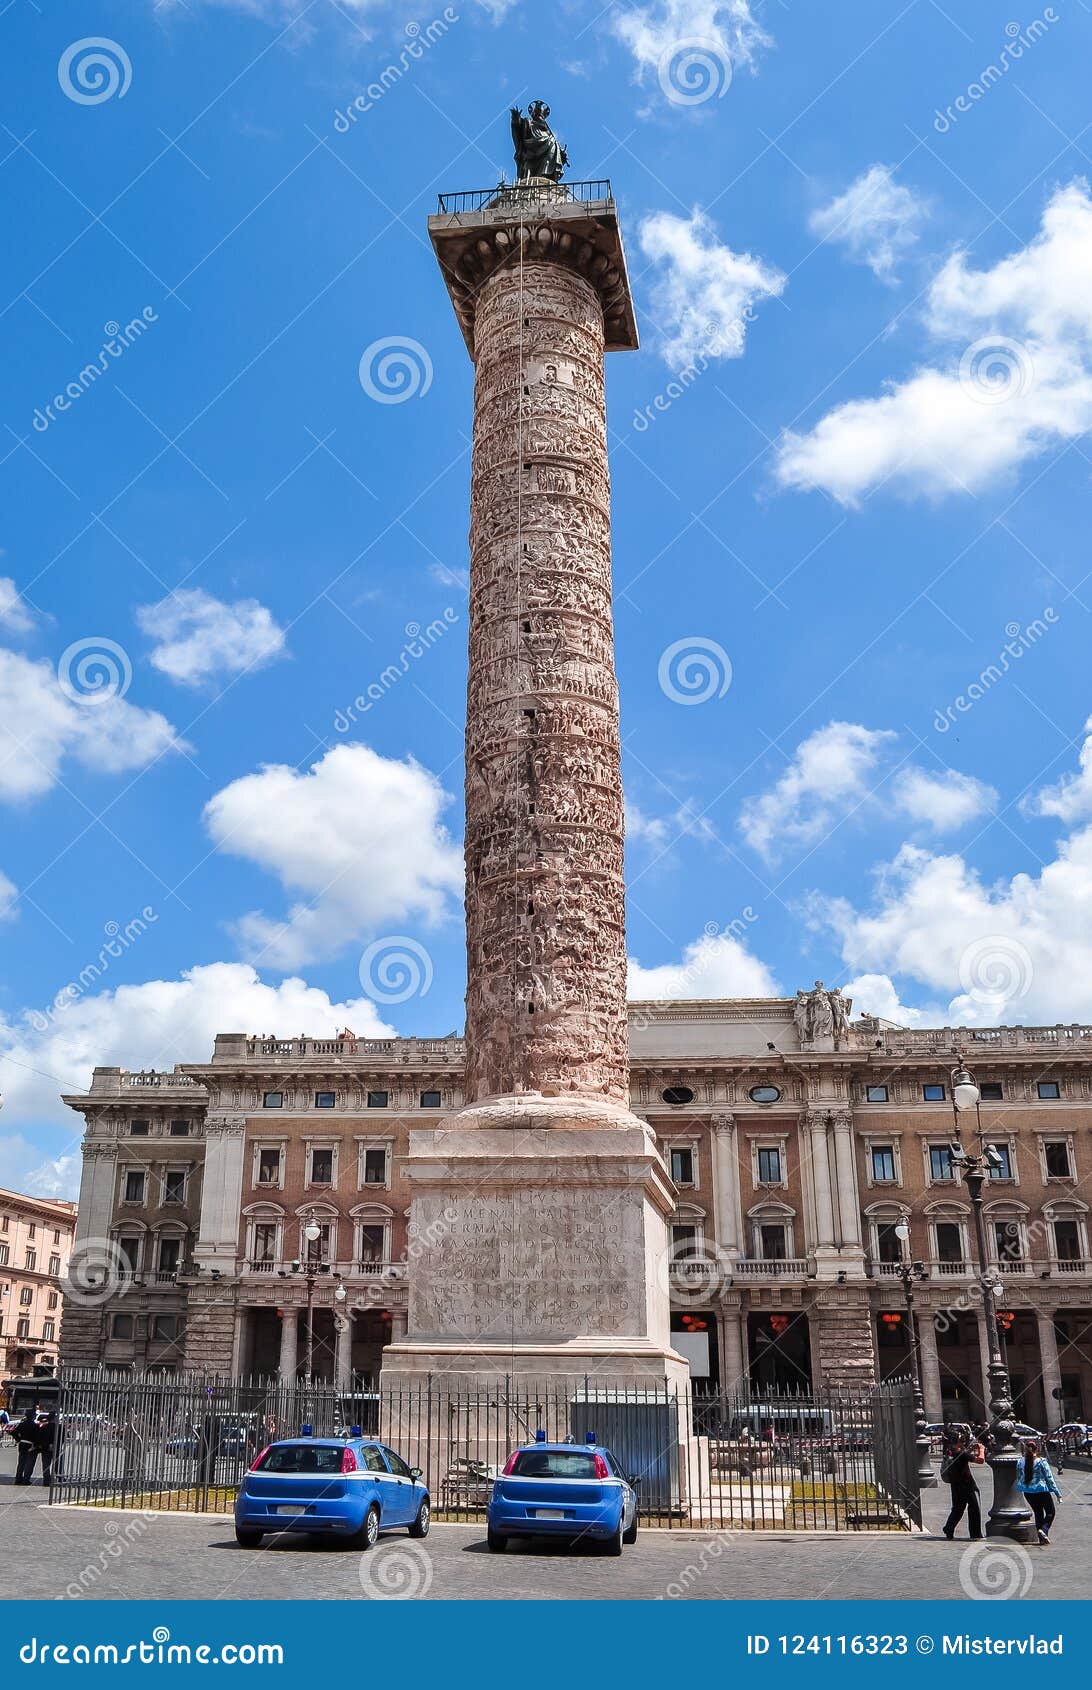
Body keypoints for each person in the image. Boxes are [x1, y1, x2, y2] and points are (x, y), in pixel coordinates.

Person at [1016, 1439, 1061, 1545]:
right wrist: (1057, 1493)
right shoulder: (1041, 1461)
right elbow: (1049, 1478)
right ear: (1037, 1449)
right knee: (1050, 1512)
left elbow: (1019, 1477)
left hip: (1028, 1492)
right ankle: (1044, 1530)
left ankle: (1042, 1538)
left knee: (1038, 1512)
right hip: (1041, 1490)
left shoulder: (1020, 1461)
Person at [941, 1427, 982, 1540]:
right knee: (974, 1507)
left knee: (957, 1508)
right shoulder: (961, 1453)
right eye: (961, 1439)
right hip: (968, 1484)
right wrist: (981, 1449)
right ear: (957, 1441)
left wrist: (965, 1447)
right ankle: (975, 1533)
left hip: (955, 1484)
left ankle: (949, 1528)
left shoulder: (950, 1451)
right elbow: (980, 1460)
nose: (963, 1441)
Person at [7, 1407, 41, 1485]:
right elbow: (37, 1437)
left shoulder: (22, 1424)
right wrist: (36, 1445)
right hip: (31, 1445)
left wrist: (19, 1439)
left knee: (21, 1463)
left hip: (22, 1444)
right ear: (33, 1416)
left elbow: (13, 1432)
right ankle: (26, 1479)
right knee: (29, 1464)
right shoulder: (35, 1426)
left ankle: (18, 1479)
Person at [36, 1412, 57, 1488]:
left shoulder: (44, 1428)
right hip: (56, 1448)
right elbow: (63, 1437)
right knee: (57, 1464)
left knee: (46, 1465)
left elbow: (39, 1438)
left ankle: (46, 1480)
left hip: (45, 1448)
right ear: (54, 1419)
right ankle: (58, 1479)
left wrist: (40, 1446)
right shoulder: (59, 1428)